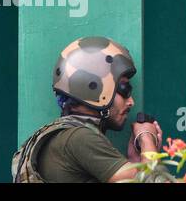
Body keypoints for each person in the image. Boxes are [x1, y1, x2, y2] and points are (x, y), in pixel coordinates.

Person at [13, 36, 164, 183]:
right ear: (93, 87)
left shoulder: (65, 136)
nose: (131, 102)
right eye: (124, 89)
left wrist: (134, 162)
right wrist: (146, 139)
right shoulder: (80, 138)